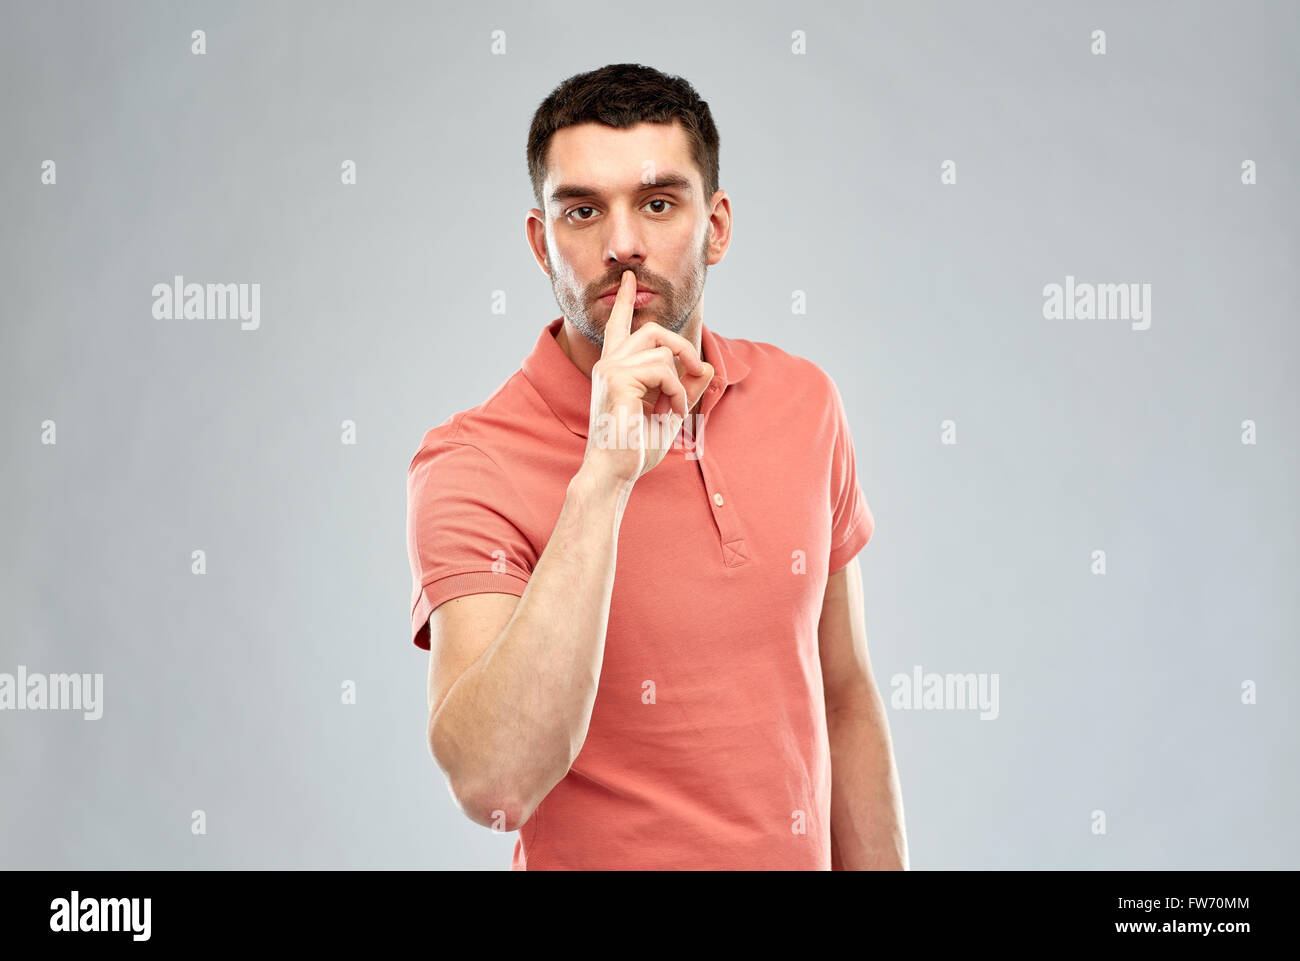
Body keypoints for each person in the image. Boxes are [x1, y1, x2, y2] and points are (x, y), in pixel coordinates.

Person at [406, 63, 907, 870]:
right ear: (542, 242)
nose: (622, 244)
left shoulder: (806, 402)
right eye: (581, 210)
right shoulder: (471, 462)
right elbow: (494, 781)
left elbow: (844, 692)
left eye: (658, 203)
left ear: (717, 226)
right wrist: (602, 477)